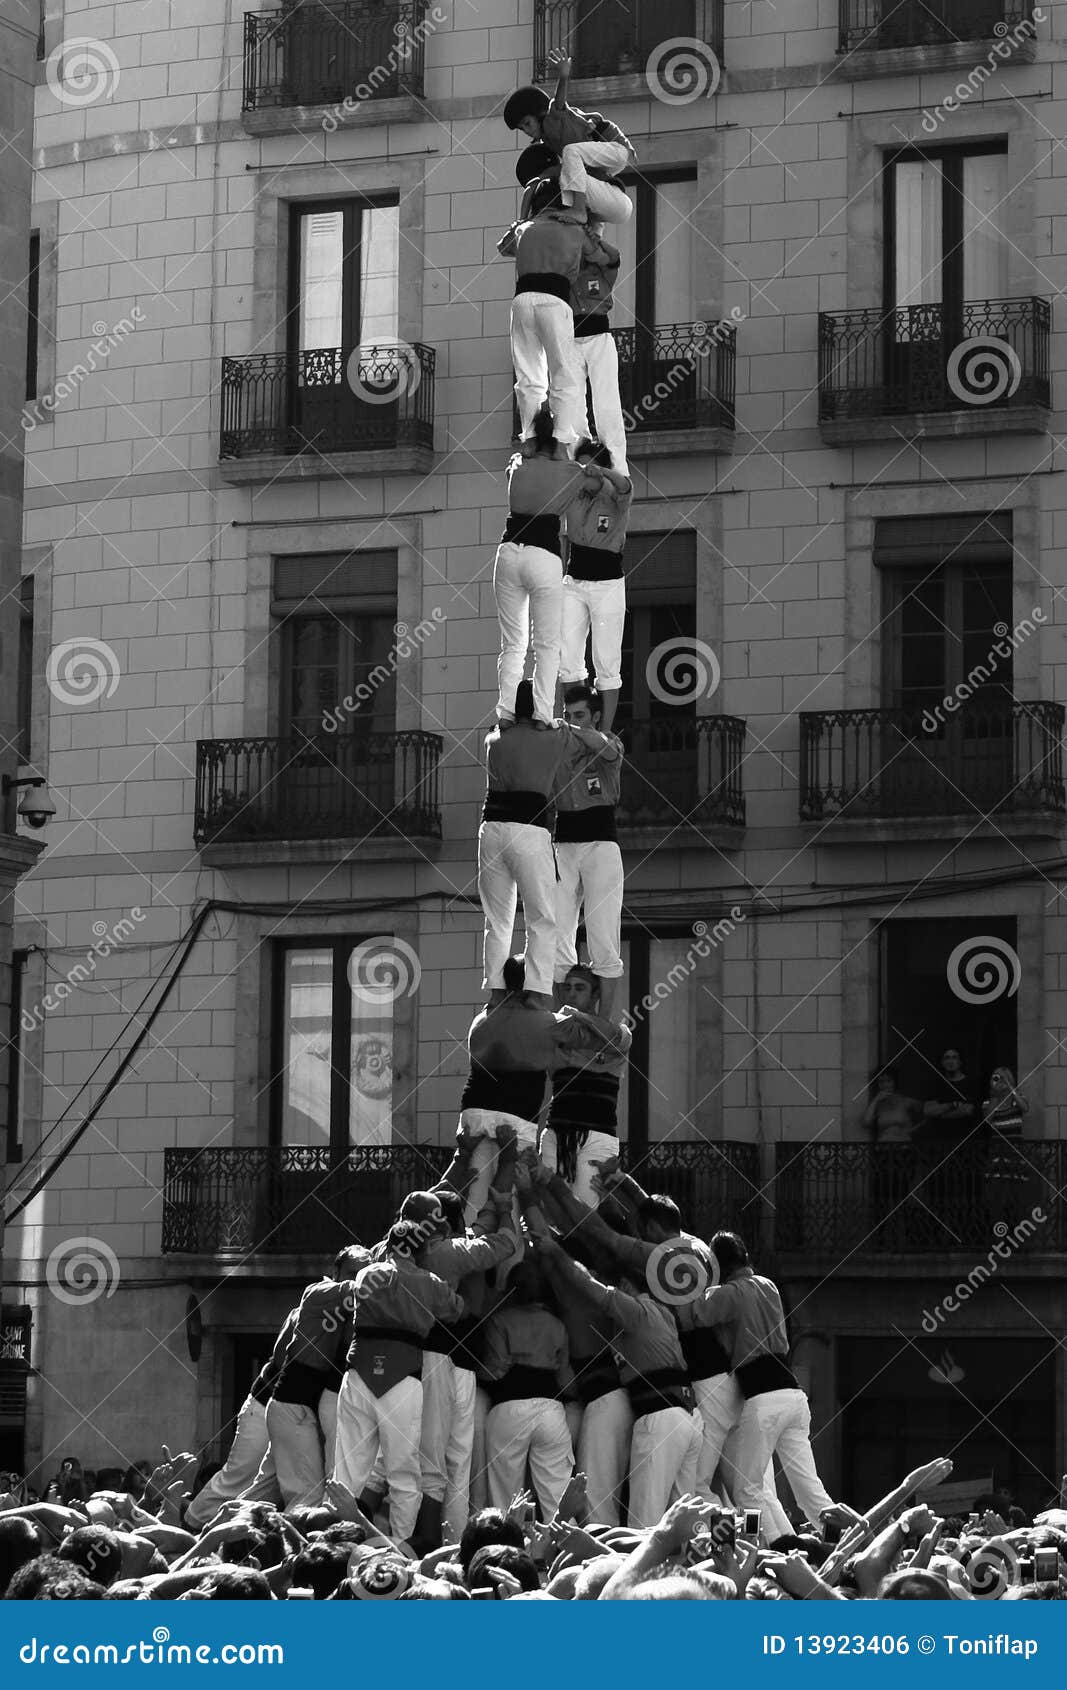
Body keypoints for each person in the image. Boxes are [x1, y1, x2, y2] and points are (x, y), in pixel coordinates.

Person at [533, 1231, 702, 1529]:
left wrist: (556, 1252)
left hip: (660, 1418)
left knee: (644, 1523)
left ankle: (628, 1572)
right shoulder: (665, 1313)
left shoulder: (635, 1310)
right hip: (689, 1418)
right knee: (679, 1520)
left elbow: (588, 1286)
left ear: (626, 1286)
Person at [690, 1232, 847, 1542]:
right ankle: (840, 1543)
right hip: (794, 1397)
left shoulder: (730, 1293)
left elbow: (696, 1313)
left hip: (764, 1400)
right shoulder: (768, 1285)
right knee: (810, 1493)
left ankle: (771, 1549)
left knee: (746, 1490)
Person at [493, 410, 604, 727]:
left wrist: (527, 450)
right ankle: (542, 716)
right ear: (558, 442)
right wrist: (584, 466)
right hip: (543, 555)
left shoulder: (518, 465)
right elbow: (598, 485)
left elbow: (517, 463)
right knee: (546, 645)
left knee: (512, 645)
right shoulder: (570, 471)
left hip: (509, 551)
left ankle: (506, 713)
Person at [503, 183, 615, 455]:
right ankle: (563, 439)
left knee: (528, 374)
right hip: (554, 300)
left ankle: (529, 438)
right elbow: (602, 256)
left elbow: (504, 247)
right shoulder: (573, 229)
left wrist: (524, 216)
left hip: (522, 300)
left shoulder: (524, 228)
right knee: (563, 374)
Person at [479, 679, 568, 998]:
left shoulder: (493, 739)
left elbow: (499, 726)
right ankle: (536, 991)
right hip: (529, 830)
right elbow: (564, 729)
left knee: (497, 919)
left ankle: (496, 993)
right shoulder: (555, 738)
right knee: (541, 917)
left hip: (492, 829)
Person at [184, 1308, 298, 1530]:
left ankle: (235, 1531)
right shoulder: (305, 1313)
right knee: (239, 1477)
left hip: (292, 1414)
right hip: (264, 1406)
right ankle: (191, 1524)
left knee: (270, 1486)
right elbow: (282, 1357)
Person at [479, 1257, 575, 1519]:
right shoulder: (558, 1326)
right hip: (551, 1411)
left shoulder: (499, 1321)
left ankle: (503, 1551)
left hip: (509, 1408)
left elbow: (495, 1369)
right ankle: (571, 1548)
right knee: (558, 1497)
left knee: (505, 1499)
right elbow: (565, 1378)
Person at [551, 684, 626, 1015]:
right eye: (567, 716)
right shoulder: (560, 747)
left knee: (603, 932)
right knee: (556, 932)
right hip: (563, 843)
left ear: (596, 716)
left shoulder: (608, 743)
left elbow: (603, 747)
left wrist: (571, 729)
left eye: (579, 715)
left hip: (601, 843)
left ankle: (604, 1024)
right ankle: (558, 1017)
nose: (570, 721)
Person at [504, 48, 636, 228]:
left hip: (617, 149)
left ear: (539, 113)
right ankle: (593, 235)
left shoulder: (554, 117)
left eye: (527, 123)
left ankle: (578, 210)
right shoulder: (549, 140)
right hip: (604, 164)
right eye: (522, 128)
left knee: (571, 152)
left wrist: (564, 75)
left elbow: (559, 101)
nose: (526, 130)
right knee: (574, 175)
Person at [540, 965, 630, 1202]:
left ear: (596, 994)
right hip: (557, 1135)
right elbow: (546, 1031)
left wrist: (578, 1016)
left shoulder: (621, 1032)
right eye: (567, 988)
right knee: (552, 1212)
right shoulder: (556, 1033)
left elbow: (616, 1038)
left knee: (585, 1214)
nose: (571, 994)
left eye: (580, 988)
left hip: (598, 1137)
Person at [560, 453, 632, 733]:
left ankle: (605, 732)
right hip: (574, 581)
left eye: (588, 469)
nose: (584, 474)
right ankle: (576, 724)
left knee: (606, 660)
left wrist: (601, 470)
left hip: (607, 584)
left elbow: (626, 485)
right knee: (568, 658)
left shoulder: (614, 496)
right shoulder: (572, 493)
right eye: (581, 469)